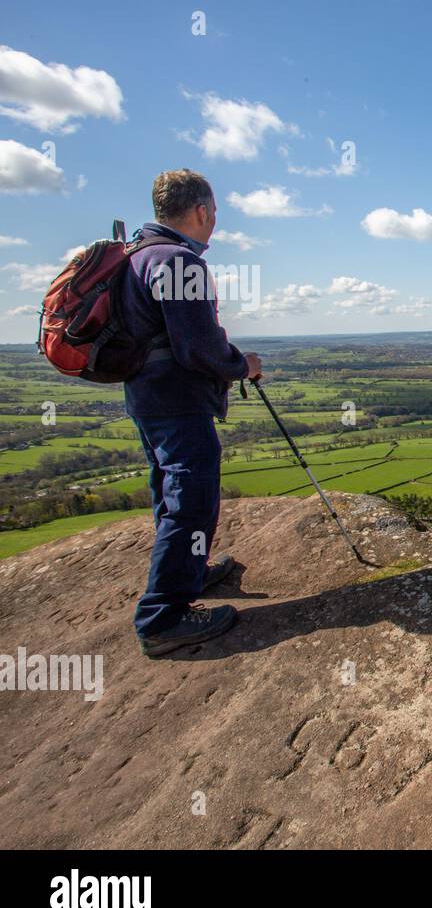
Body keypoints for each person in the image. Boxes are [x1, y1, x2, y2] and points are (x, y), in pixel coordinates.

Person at [120, 169, 262, 657]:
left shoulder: (136, 255)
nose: (216, 220)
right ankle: (163, 618)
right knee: (191, 499)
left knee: (170, 490)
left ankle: (189, 571)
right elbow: (198, 347)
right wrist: (241, 365)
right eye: (215, 211)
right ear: (201, 211)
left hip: (147, 398)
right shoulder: (179, 262)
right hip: (178, 402)